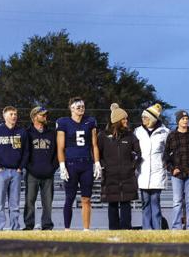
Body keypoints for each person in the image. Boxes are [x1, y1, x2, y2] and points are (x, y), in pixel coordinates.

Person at [56, 97, 100, 230]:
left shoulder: (90, 121)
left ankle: (86, 229)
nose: (81, 108)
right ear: (71, 108)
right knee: (69, 198)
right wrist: (62, 165)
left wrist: (97, 163)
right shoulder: (63, 122)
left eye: (83, 106)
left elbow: (94, 145)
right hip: (71, 164)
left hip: (86, 163)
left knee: (86, 198)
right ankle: (67, 229)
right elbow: (60, 147)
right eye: (78, 107)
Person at [99, 104, 141, 230]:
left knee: (125, 203)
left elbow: (138, 153)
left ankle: (126, 229)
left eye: (126, 118)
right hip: (110, 175)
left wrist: (132, 166)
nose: (126, 121)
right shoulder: (103, 136)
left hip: (127, 176)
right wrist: (103, 166)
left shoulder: (130, 135)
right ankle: (113, 229)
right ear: (117, 121)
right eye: (124, 119)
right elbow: (97, 154)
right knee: (112, 204)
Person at [0, 106, 28, 231]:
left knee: (15, 203)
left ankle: (15, 227)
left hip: (16, 172)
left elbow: (26, 152)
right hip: (1, 171)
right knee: (0, 202)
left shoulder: (22, 132)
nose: (14, 116)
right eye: (11, 114)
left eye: (15, 114)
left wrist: (21, 167)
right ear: (4, 116)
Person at [163, 109, 189, 229]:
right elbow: (166, 156)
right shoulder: (172, 136)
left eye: (187, 119)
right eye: (183, 119)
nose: (185, 121)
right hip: (177, 174)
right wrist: (172, 169)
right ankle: (176, 227)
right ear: (178, 121)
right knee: (177, 202)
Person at [23, 106, 57, 230]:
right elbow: (24, 152)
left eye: (45, 115)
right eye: (42, 115)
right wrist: (30, 167)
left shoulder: (52, 133)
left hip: (48, 173)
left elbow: (58, 152)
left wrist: (52, 167)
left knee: (47, 202)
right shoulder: (27, 133)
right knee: (29, 201)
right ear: (34, 117)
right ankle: (29, 225)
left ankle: (47, 225)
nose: (45, 117)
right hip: (32, 174)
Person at [135, 103, 169, 230]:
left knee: (155, 201)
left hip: (157, 172)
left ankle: (157, 228)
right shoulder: (138, 131)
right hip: (143, 172)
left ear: (152, 119)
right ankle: (146, 228)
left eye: (146, 117)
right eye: (142, 117)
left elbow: (169, 150)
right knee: (145, 202)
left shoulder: (164, 132)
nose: (143, 120)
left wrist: (165, 162)